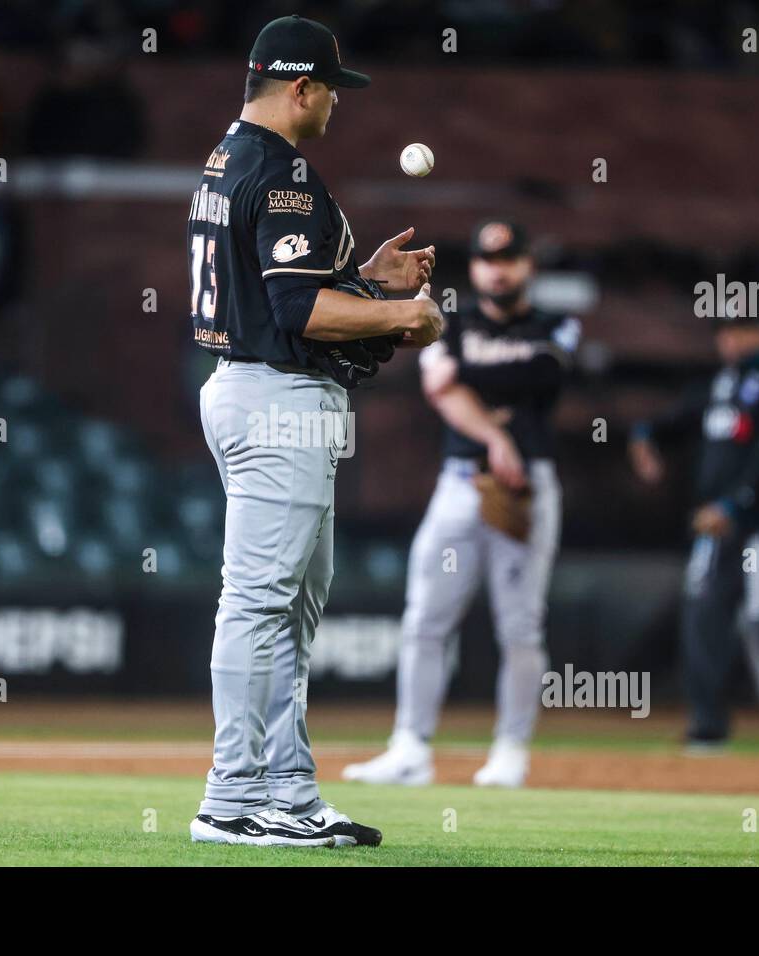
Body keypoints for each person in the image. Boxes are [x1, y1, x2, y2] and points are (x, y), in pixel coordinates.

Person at [186, 16, 442, 847]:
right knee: (261, 603)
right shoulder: (284, 169)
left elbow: (279, 296)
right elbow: (297, 311)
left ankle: (288, 790)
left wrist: (364, 282)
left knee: (292, 608)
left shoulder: (229, 158)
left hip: (252, 387)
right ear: (300, 87)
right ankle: (231, 798)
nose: (337, 101)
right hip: (277, 402)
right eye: (331, 87)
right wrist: (403, 312)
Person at [343, 220, 580, 788]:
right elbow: (438, 386)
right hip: (459, 482)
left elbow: (544, 375)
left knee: (520, 625)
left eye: (509, 257)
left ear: (527, 266)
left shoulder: (557, 325)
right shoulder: (457, 320)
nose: (497, 268)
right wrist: (499, 432)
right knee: (425, 618)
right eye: (486, 259)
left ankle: (511, 751)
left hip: (527, 487)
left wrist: (467, 377)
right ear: (475, 268)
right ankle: (410, 747)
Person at [627, 309, 759, 754]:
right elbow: (675, 422)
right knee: (703, 615)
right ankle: (708, 727)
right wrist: (644, 436)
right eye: (725, 331)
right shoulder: (721, 384)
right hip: (720, 532)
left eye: (741, 330)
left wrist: (734, 505)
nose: (731, 340)